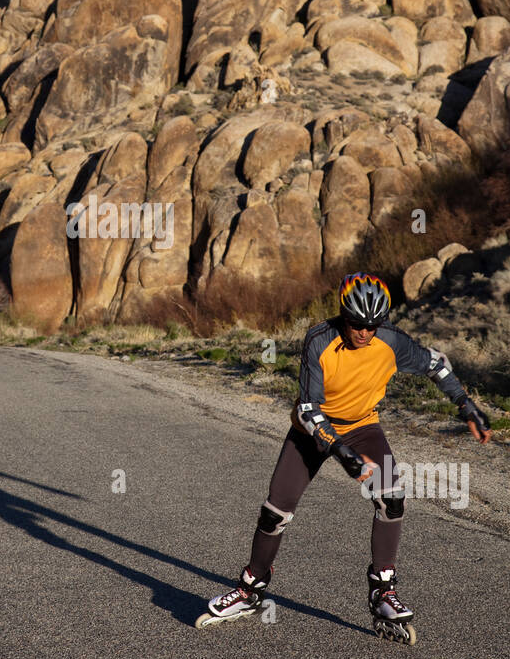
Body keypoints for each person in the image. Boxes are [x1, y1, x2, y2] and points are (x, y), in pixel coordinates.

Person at [199, 272, 492, 639]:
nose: (364, 333)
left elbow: (437, 364)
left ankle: (384, 592)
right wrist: (342, 452)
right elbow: (308, 410)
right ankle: (251, 588)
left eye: (372, 325)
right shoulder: (318, 340)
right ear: (342, 314)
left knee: (392, 500)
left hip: (362, 425)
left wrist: (466, 406)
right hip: (314, 430)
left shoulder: (391, 341)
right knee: (275, 513)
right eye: (356, 324)